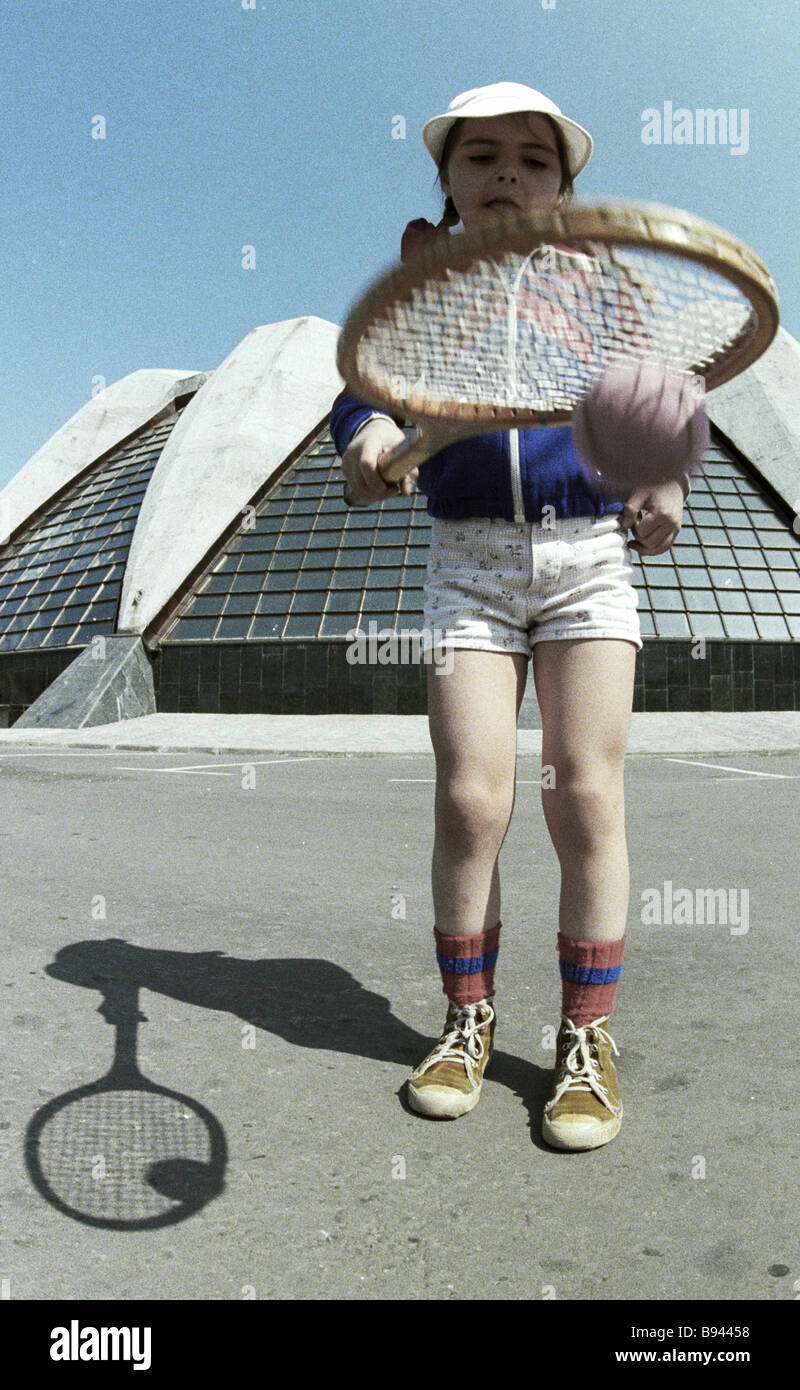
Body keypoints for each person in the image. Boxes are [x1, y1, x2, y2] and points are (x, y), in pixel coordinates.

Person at [331, 82, 690, 1151]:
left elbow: (652, 406)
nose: (505, 175)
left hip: (585, 559)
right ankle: (465, 1019)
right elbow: (366, 426)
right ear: (443, 182)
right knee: (471, 797)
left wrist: (659, 480)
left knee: (584, 793)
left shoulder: (603, 290)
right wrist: (384, 442)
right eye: (479, 156)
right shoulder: (414, 296)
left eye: (533, 163)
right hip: (468, 562)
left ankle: (584, 1037)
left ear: (564, 189)